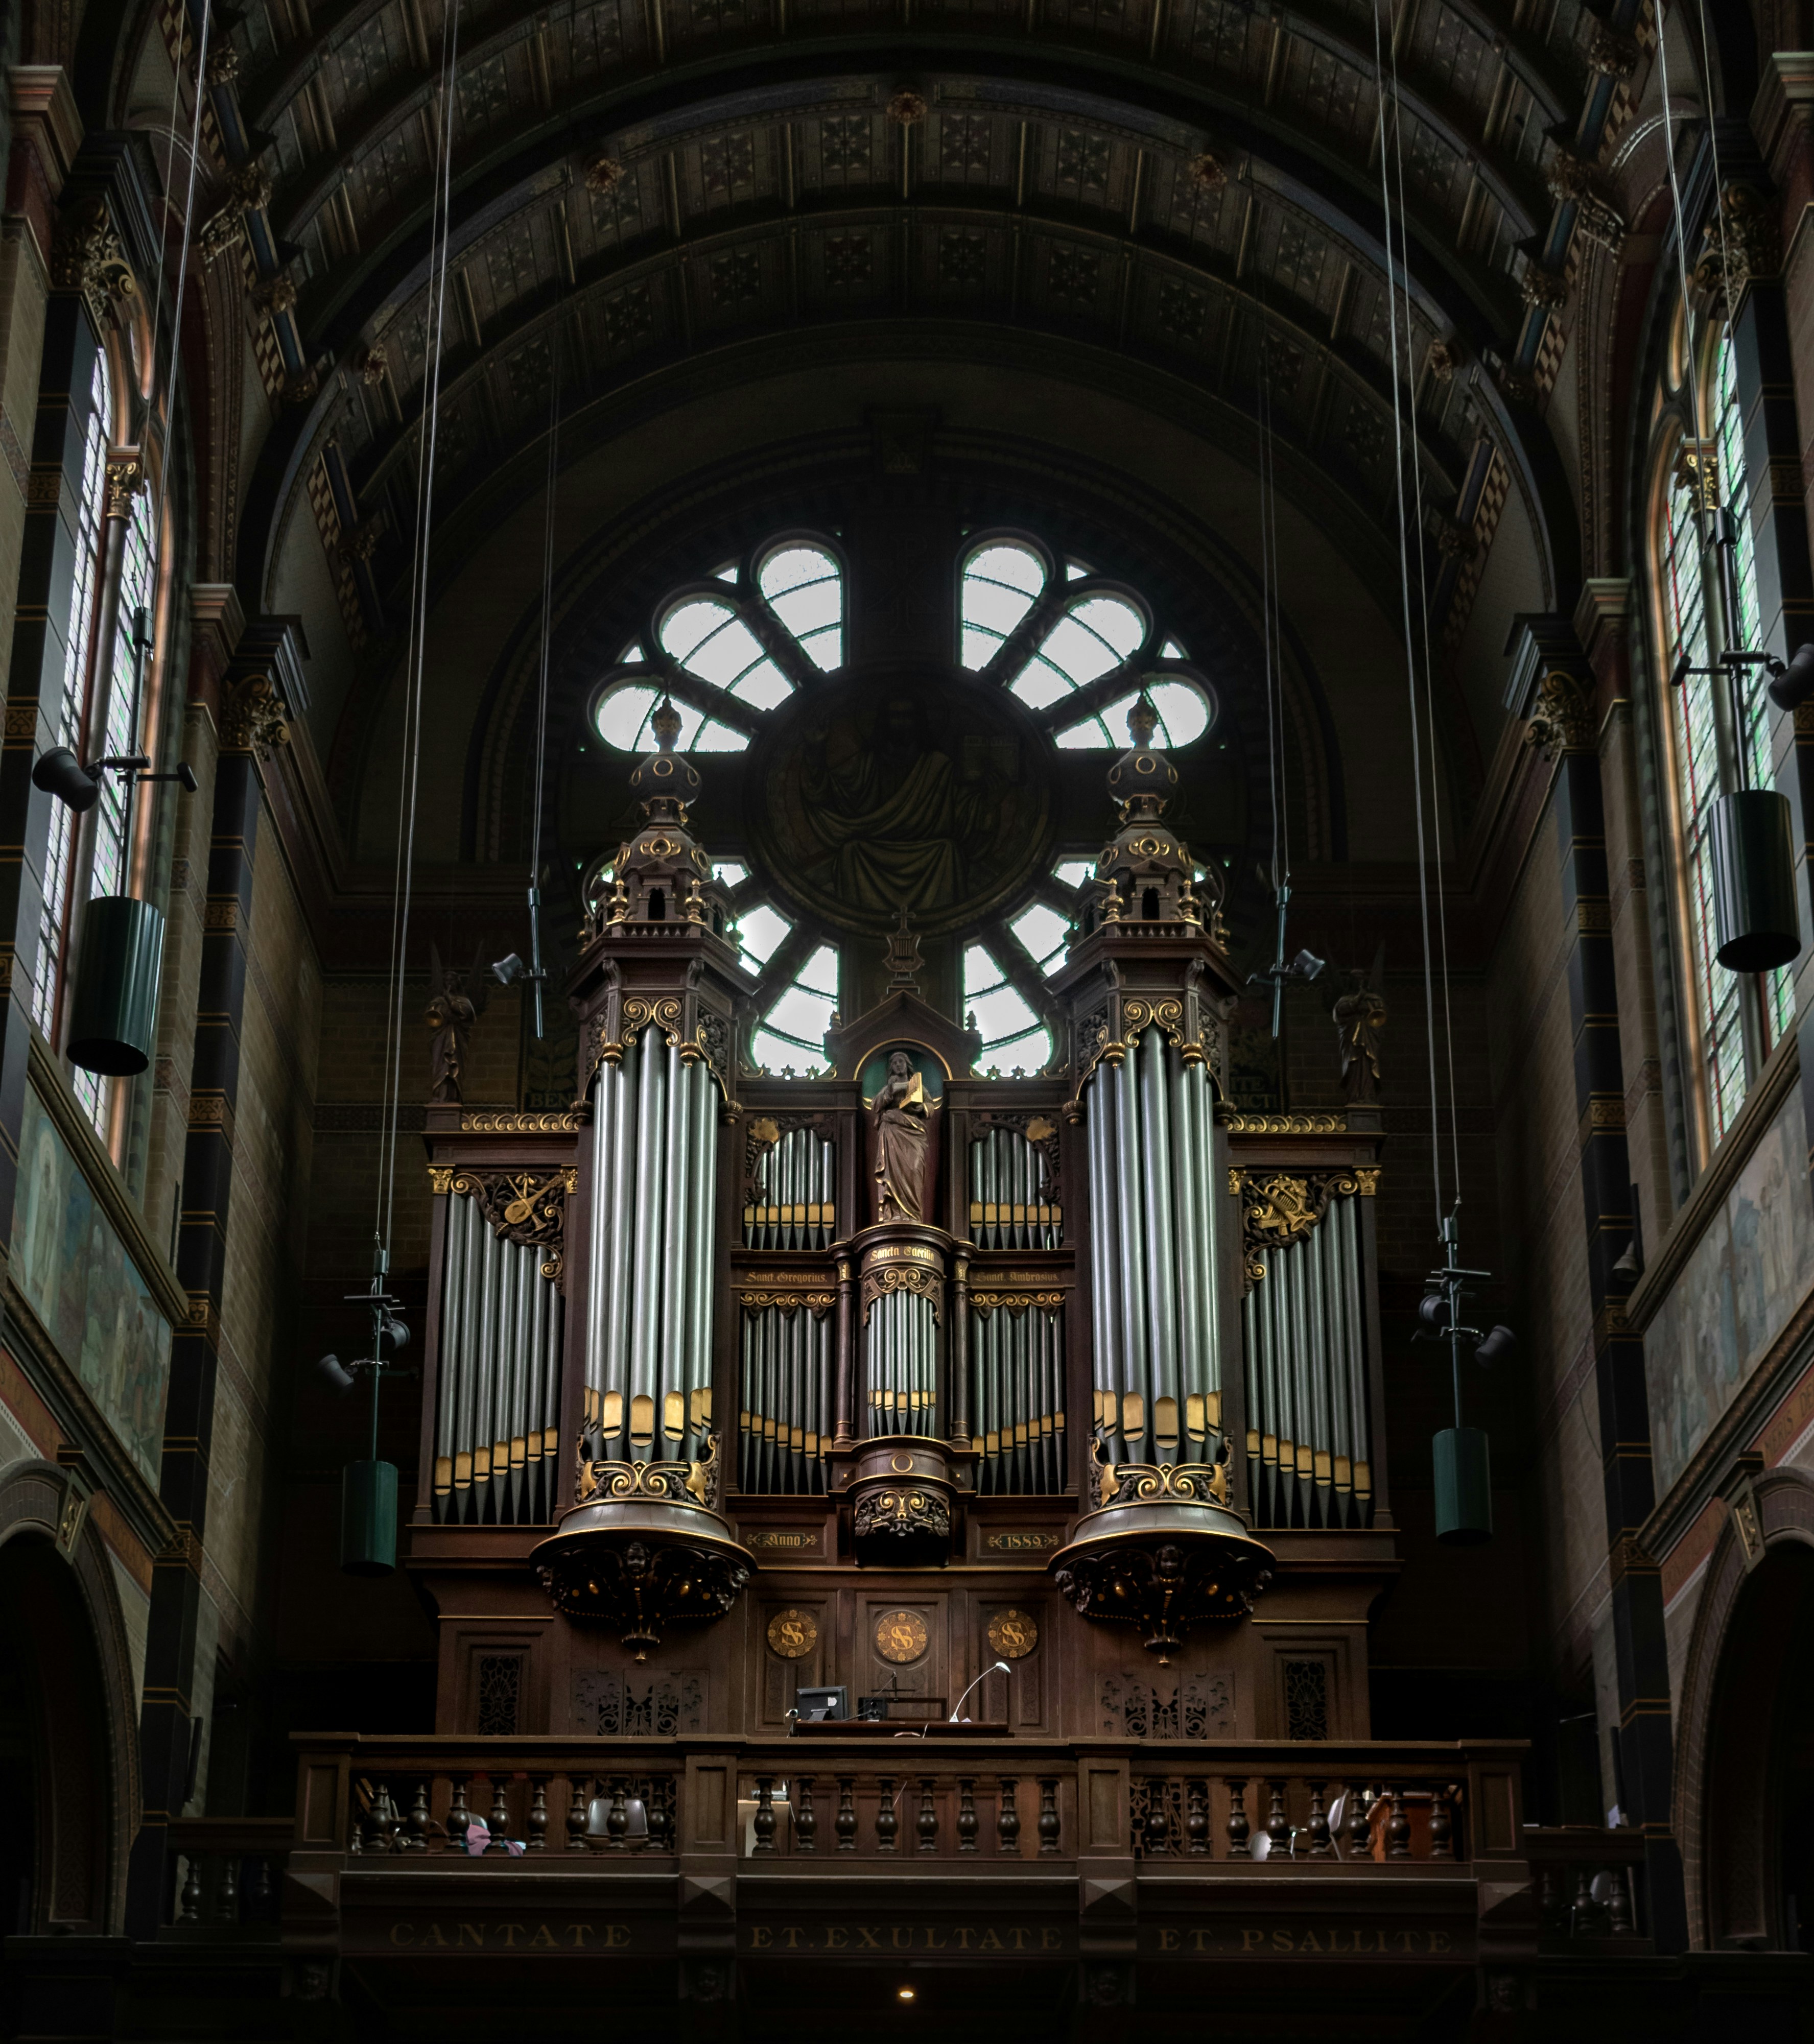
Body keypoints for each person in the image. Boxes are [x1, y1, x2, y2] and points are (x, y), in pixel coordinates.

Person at [871, 1049, 930, 1221]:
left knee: (913, 1170)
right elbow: (876, 1105)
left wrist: (921, 1108)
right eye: (895, 1063)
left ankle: (912, 1214)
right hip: (891, 1133)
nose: (898, 1065)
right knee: (892, 1174)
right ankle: (894, 1214)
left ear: (907, 1065)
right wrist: (890, 1091)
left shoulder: (918, 1086)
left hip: (913, 1135)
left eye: (901, 1062)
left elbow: (930, 1107)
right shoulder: (888, 1087)